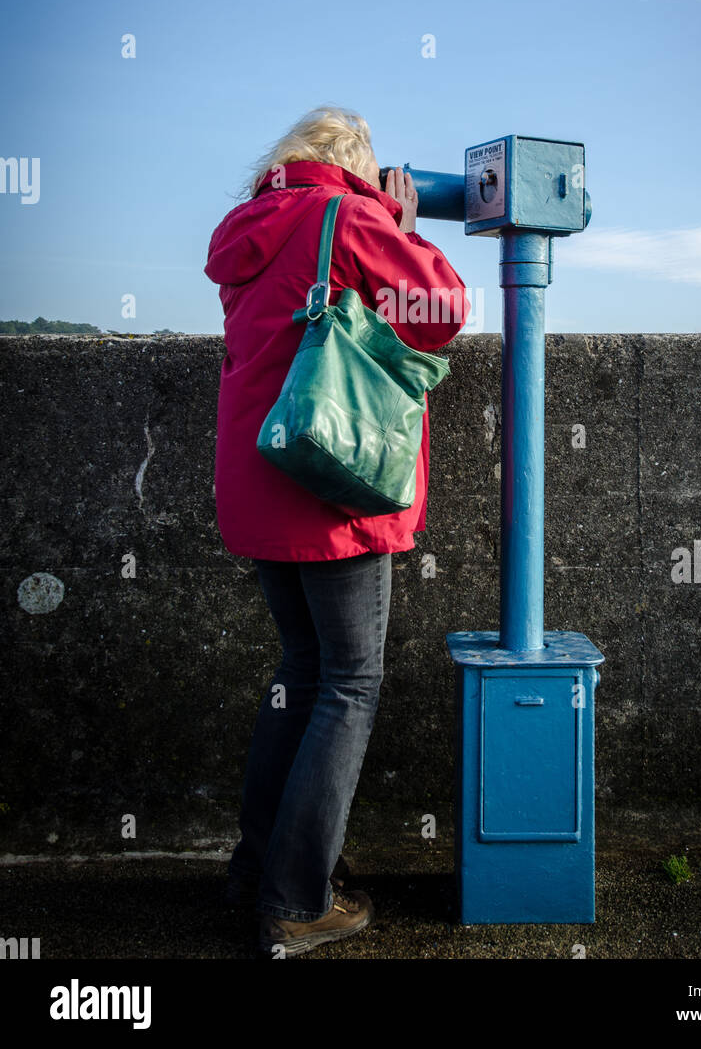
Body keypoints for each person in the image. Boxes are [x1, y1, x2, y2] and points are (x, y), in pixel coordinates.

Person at [204, 105, 469, 957]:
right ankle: (293, 902)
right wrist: (403, 226)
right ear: (355, 165)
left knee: (302, 674)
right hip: (333, 484)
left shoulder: (244, 226)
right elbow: (439, 310)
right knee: (349, 684)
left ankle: (256, 872)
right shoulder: (348, 216)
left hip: (260, 476)